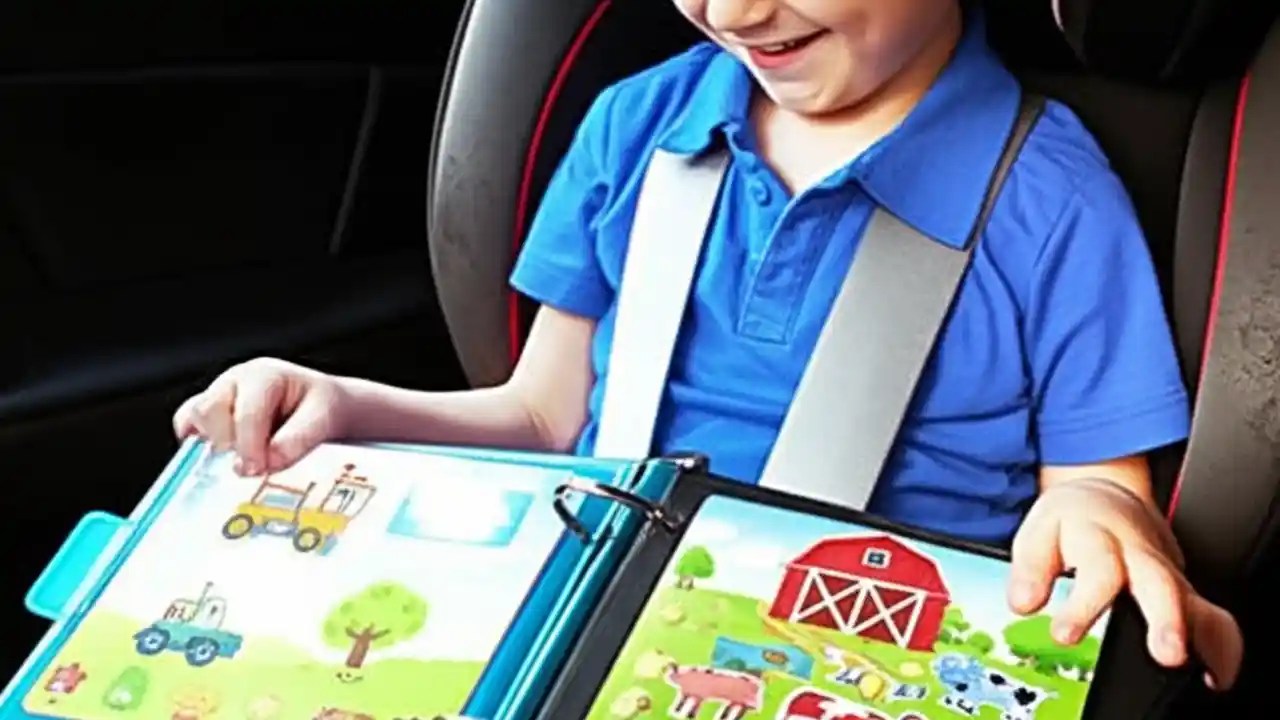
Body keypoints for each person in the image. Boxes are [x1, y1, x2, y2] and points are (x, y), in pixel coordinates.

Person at [174, 0, 1243, 689]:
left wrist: (1099, 520)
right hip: (587, 629)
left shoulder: (1051, 200)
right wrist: (344, 405)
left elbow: (1100, 492)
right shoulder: (637, 127)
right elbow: (542, 417)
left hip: (861, 659)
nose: (730, 11)